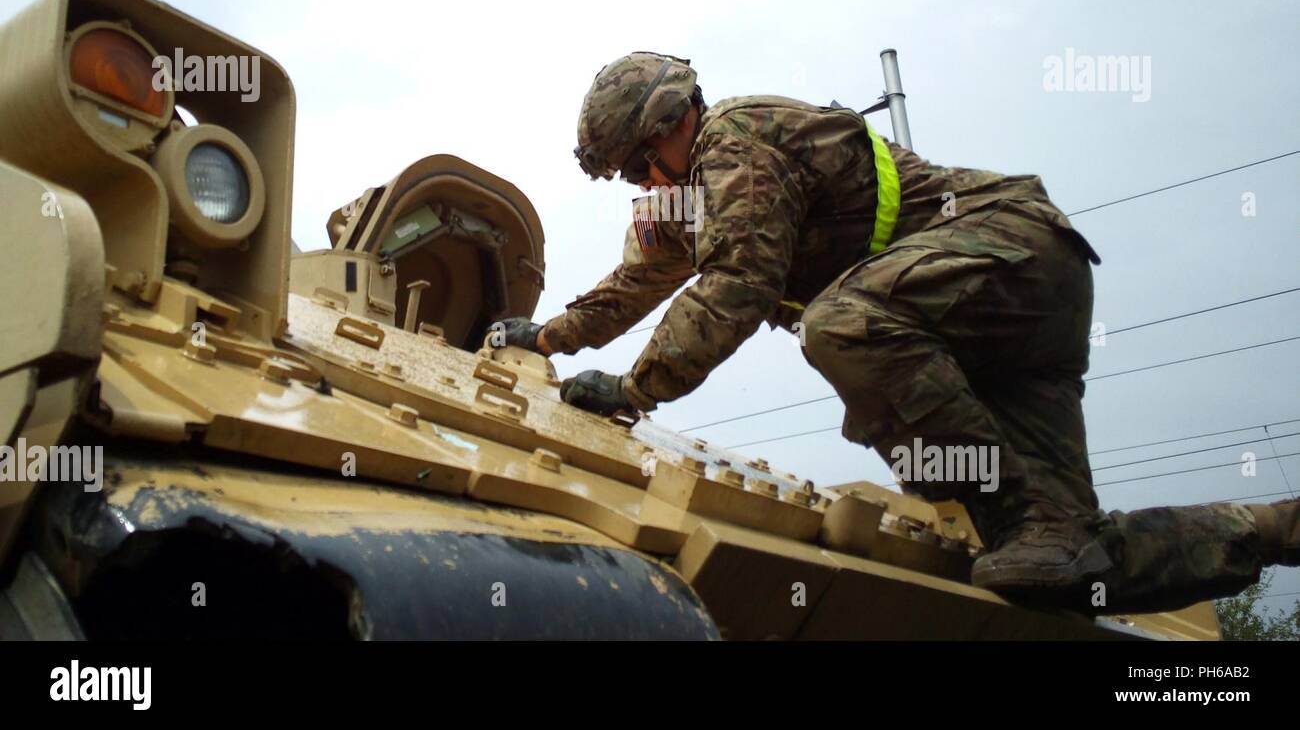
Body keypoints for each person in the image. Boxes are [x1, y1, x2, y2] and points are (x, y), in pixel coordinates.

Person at [499, 51, 1298, 615]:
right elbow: (633, 285)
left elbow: (739, 285)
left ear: (669, 126)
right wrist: (544, 342)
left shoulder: (733, 146)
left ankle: (995, 496)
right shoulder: (693, 196)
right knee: (1053, 565)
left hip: (1008, 251)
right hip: (1002, 320)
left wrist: (640, 390)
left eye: (637, 170)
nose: (640, 189)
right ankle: (1270, 529)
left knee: (838, 324)